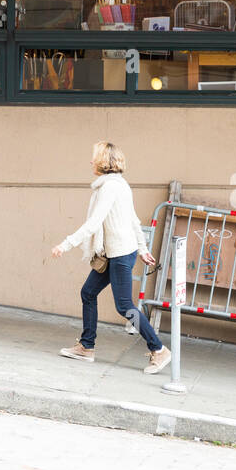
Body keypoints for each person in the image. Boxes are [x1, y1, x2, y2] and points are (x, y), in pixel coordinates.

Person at [50, 141, 172, 374]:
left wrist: (65, 244)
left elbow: (94, 223)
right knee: (88, 293)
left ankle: (159, 349)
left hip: (120, 254)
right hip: (114, 252)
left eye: (94, 157)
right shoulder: (120, 185)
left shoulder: (109, 188)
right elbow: (133, 220)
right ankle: (86, 347)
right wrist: (143, 248)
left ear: (104, 162)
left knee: (124, 305)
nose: (90, 161)